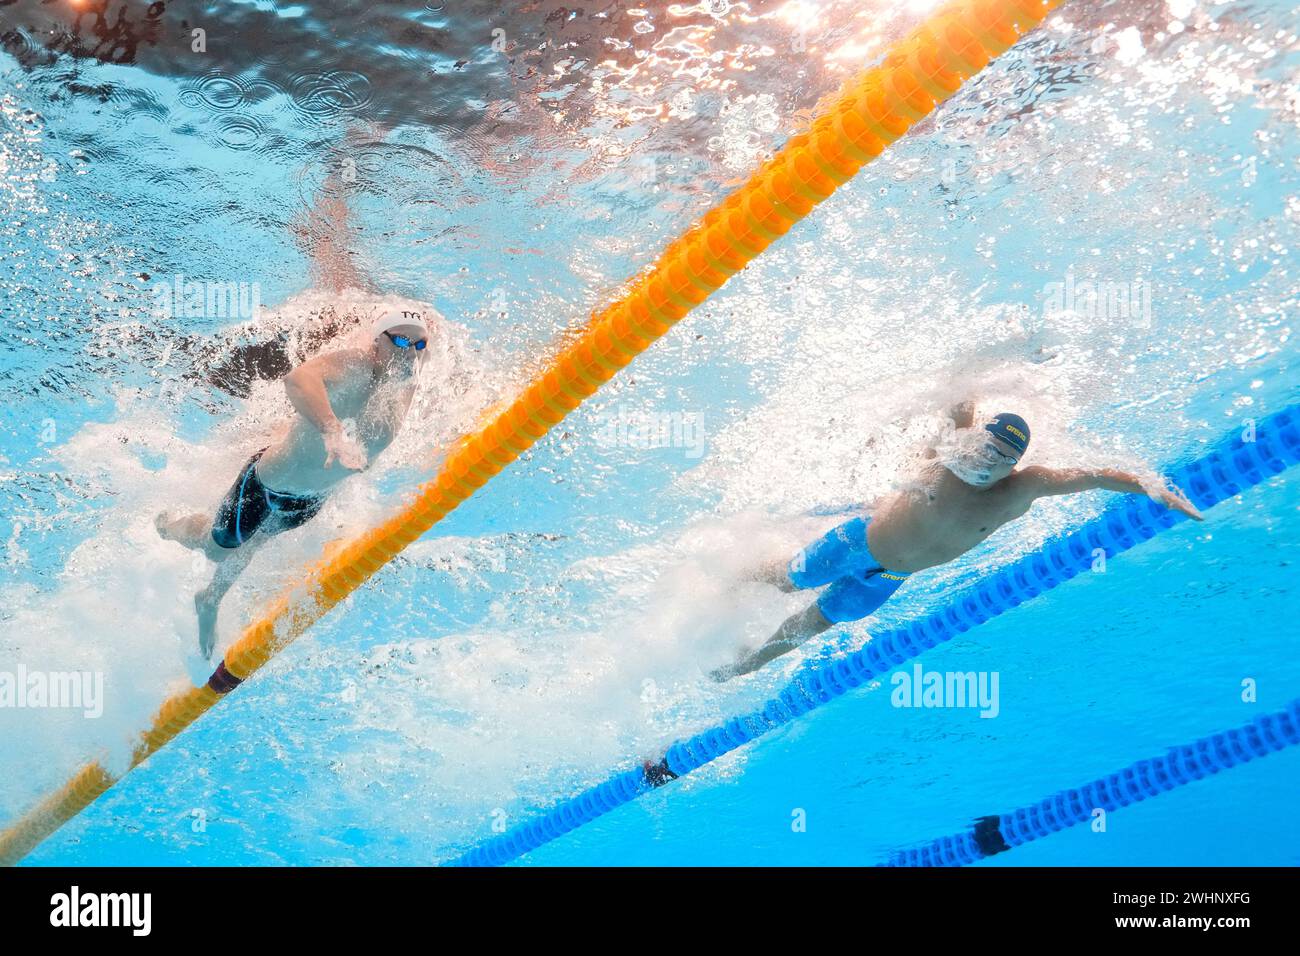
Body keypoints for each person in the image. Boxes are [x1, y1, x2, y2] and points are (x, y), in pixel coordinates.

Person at [712, 402, 1203, 680]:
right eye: (986, 448)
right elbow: (960, 400)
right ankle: (719, 585)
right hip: (857, 542)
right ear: (974, 440)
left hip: (888, 579)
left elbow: (1094, 476)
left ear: (1015, 465)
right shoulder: (950, 451)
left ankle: (744, 664)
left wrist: (1151, 487)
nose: (988, 462)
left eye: (1002, 458)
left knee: (813, 625)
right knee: (788, 579)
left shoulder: (1025, 486)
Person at [156, 308, 431, 659]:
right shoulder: (355, 365)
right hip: (266, 485)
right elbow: (298, 379)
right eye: (402, 341)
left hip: (309, 503)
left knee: (254, 545)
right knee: (218, 548)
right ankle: (169, 527)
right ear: (377, 343)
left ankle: (210, 598)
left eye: (419, 344)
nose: (410, 353)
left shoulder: (403, 384)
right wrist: (332, 431)